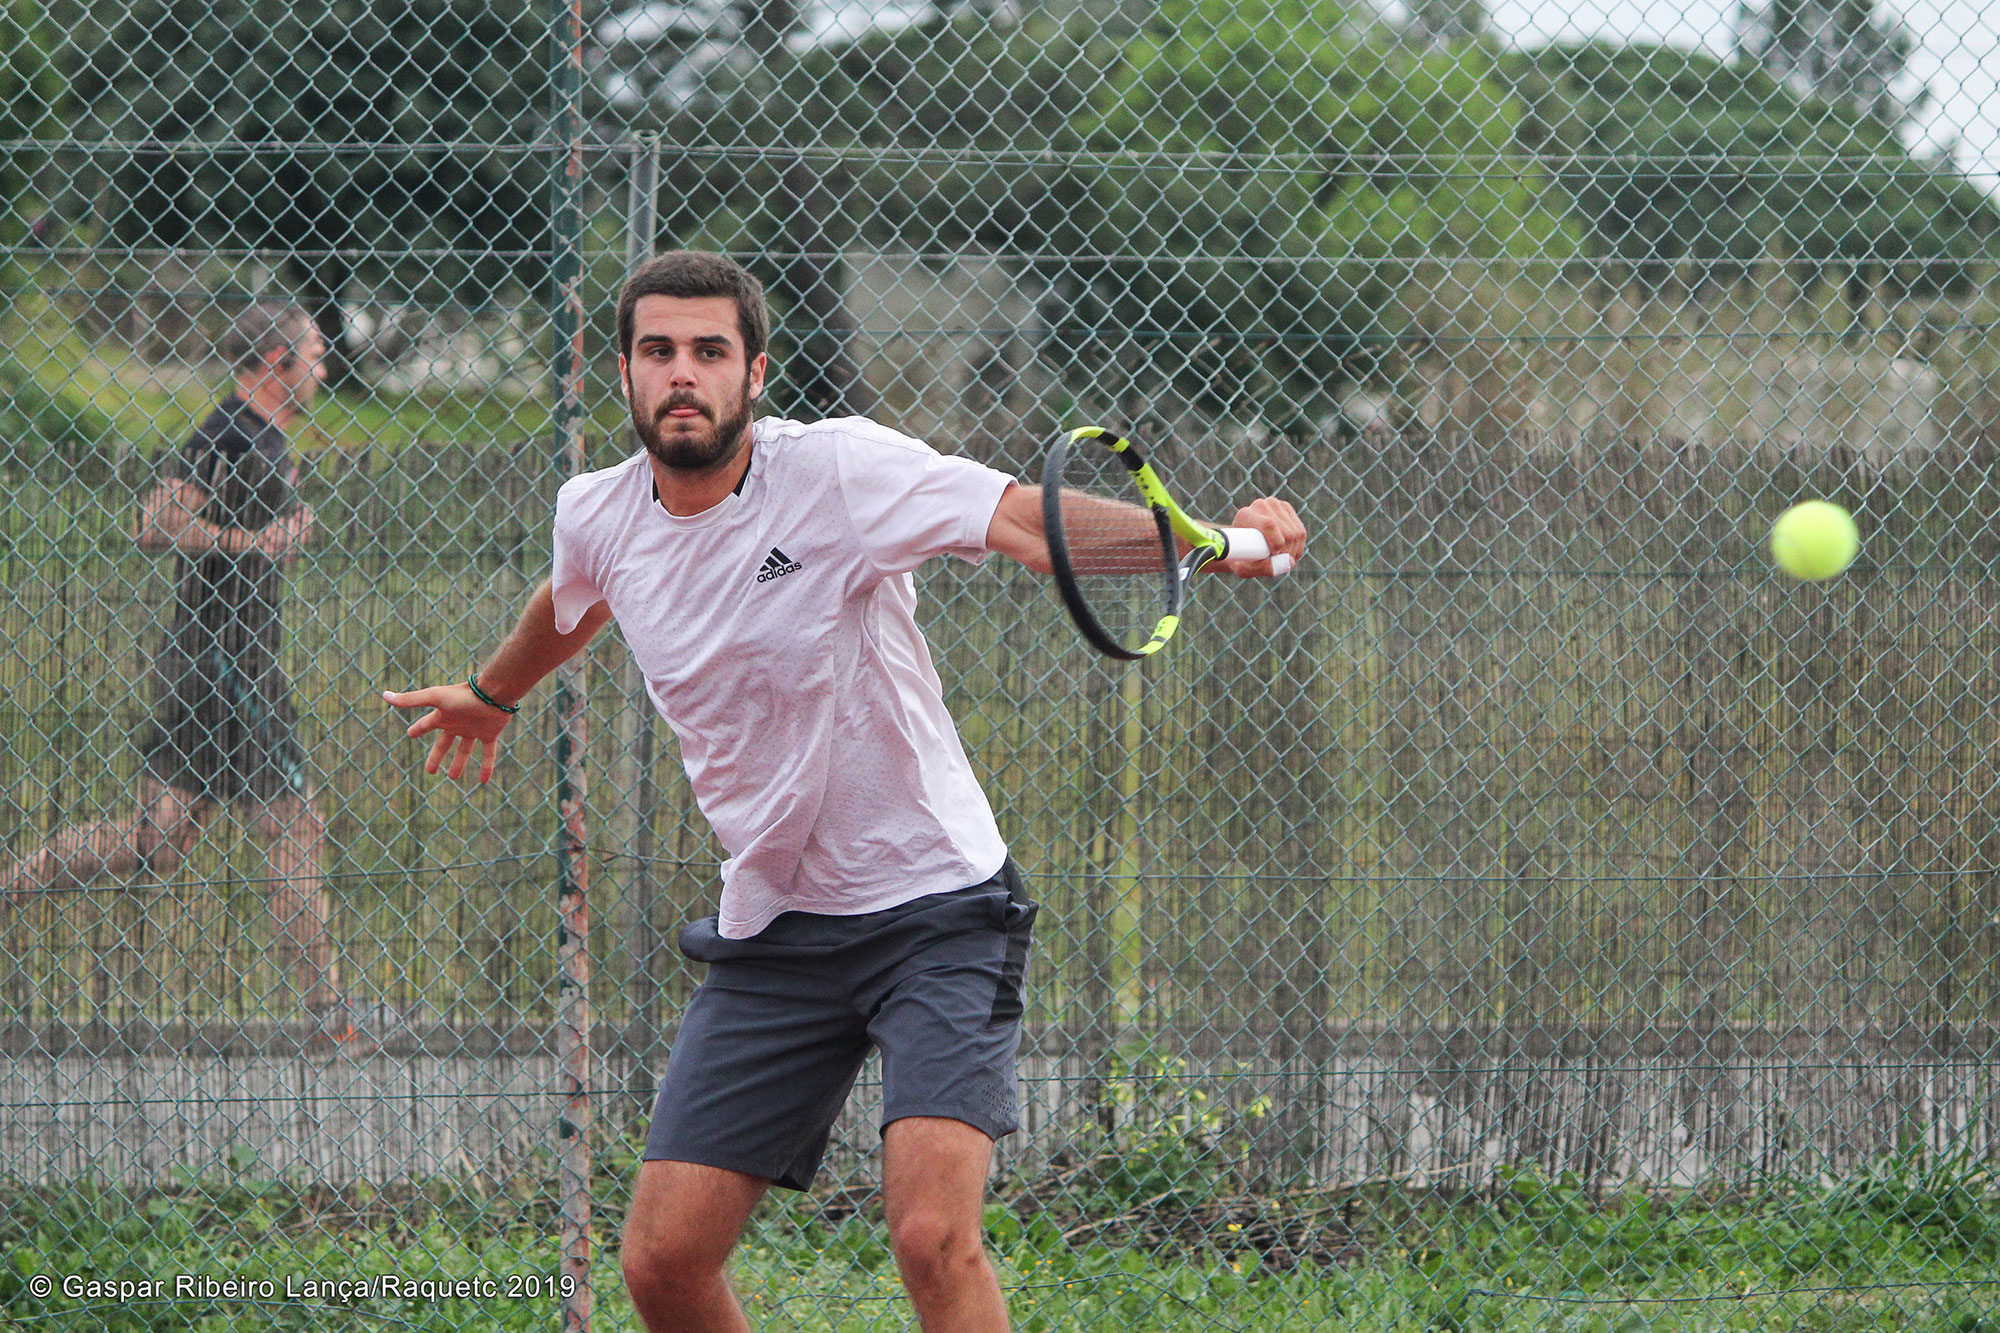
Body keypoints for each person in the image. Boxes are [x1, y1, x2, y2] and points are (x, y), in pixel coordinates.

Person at [382, 250, 1306, 1332]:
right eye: (658, 351)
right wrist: (493, 693)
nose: (682, 374)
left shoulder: (838, 471)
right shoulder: (597, 513)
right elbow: (574, 595)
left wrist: (1213, 545)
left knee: (930, 1236)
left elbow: (1026, 522)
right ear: (623, 373)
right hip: (777, 926)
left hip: (937, 909)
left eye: (709, 351)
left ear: (754, 372)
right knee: (663, 1263)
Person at [3, 300, 358, 1045]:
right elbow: (156, 522)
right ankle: (332, 1018)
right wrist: (254, 544)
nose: (325, 370)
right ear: (278, 361)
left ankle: (11, 884)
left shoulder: (261, 438)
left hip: (211, 660)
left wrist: (270, 536)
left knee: (158, 840)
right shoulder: (230, 433)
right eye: (316, 355)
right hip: (229, 663)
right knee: (294, 825)